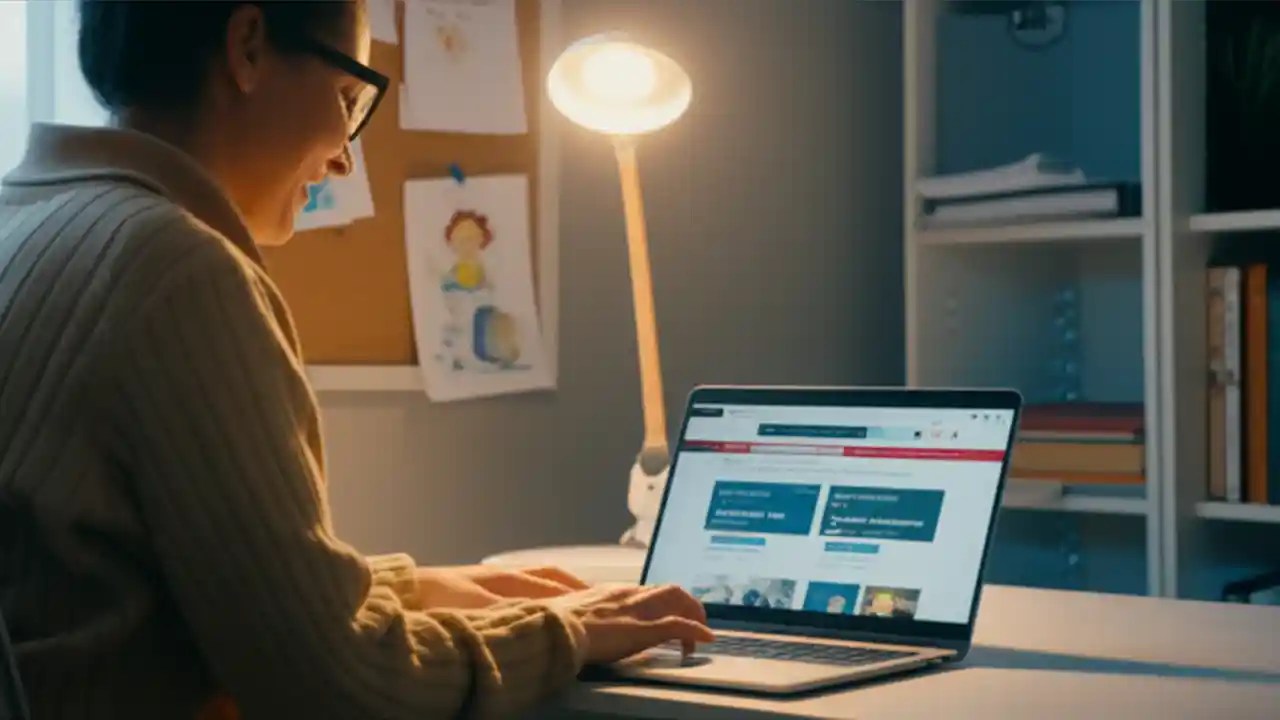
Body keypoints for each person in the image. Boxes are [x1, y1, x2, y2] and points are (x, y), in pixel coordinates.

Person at [0, 1, 712, 718]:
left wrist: (413, 588)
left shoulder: (25, 224)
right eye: (348, 99)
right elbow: (341, 684)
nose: (345, 153)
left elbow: (166, 589)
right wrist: (567, 631)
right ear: (248, 46)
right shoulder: (174, 269)